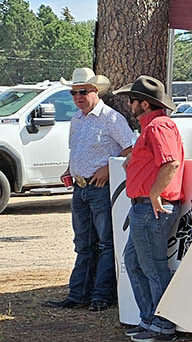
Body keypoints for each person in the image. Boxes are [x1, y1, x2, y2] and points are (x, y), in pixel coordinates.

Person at [46, 68, 135, 312]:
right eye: (74, 93)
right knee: (83, 243)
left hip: (99, 188)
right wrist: (69, 169)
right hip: (80, 186)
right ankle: (79, 294)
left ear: (95, 91)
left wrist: (108, 167)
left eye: (82, 92)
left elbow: (131, 147)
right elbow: (76, 151)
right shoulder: (77, 119)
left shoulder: (111, 117)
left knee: (105, 243)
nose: (78, 97)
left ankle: (99, 295)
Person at [119, 76, 185, 342]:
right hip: (146, 207)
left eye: (132, 101)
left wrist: (155, 193)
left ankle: (162, 323)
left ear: (144, 104)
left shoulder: (157, 127)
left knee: (151, 266)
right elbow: (164, 162)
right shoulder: (155, 127)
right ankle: (151, 318)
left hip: (150, 207)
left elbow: (170, 164)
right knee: (137, 262)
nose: (130, 105)